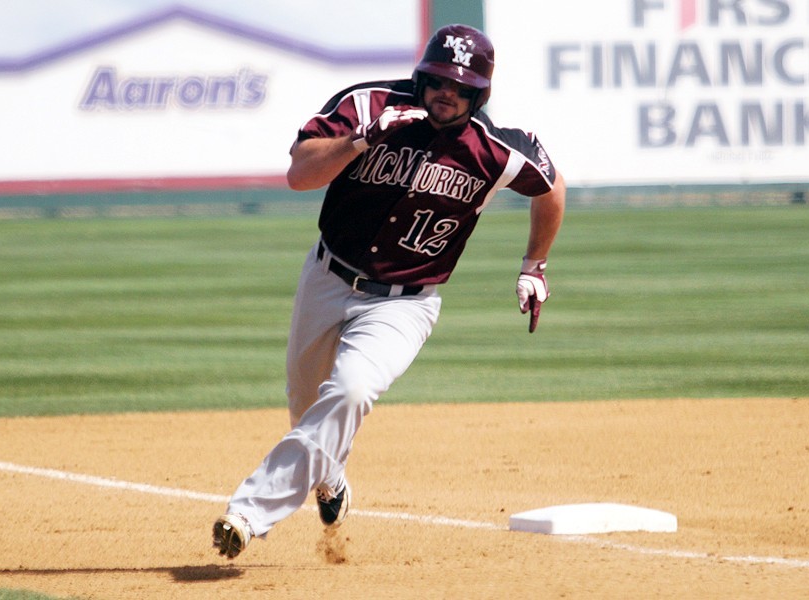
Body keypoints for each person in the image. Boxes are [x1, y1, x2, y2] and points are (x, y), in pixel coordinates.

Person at [213, 23, 566, 559]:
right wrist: (360, 140)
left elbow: (551, 185)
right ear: (422, 76)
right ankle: (330, 478)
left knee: (351, 391)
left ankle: (248, 513)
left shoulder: (494, 149)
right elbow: (299, 174)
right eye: (439, 80)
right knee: (307, 406)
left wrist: (534, 264)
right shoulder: (368, 105)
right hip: (327, 277)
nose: (447, 93)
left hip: (405, 303)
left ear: (479, 94)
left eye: (462, 87)